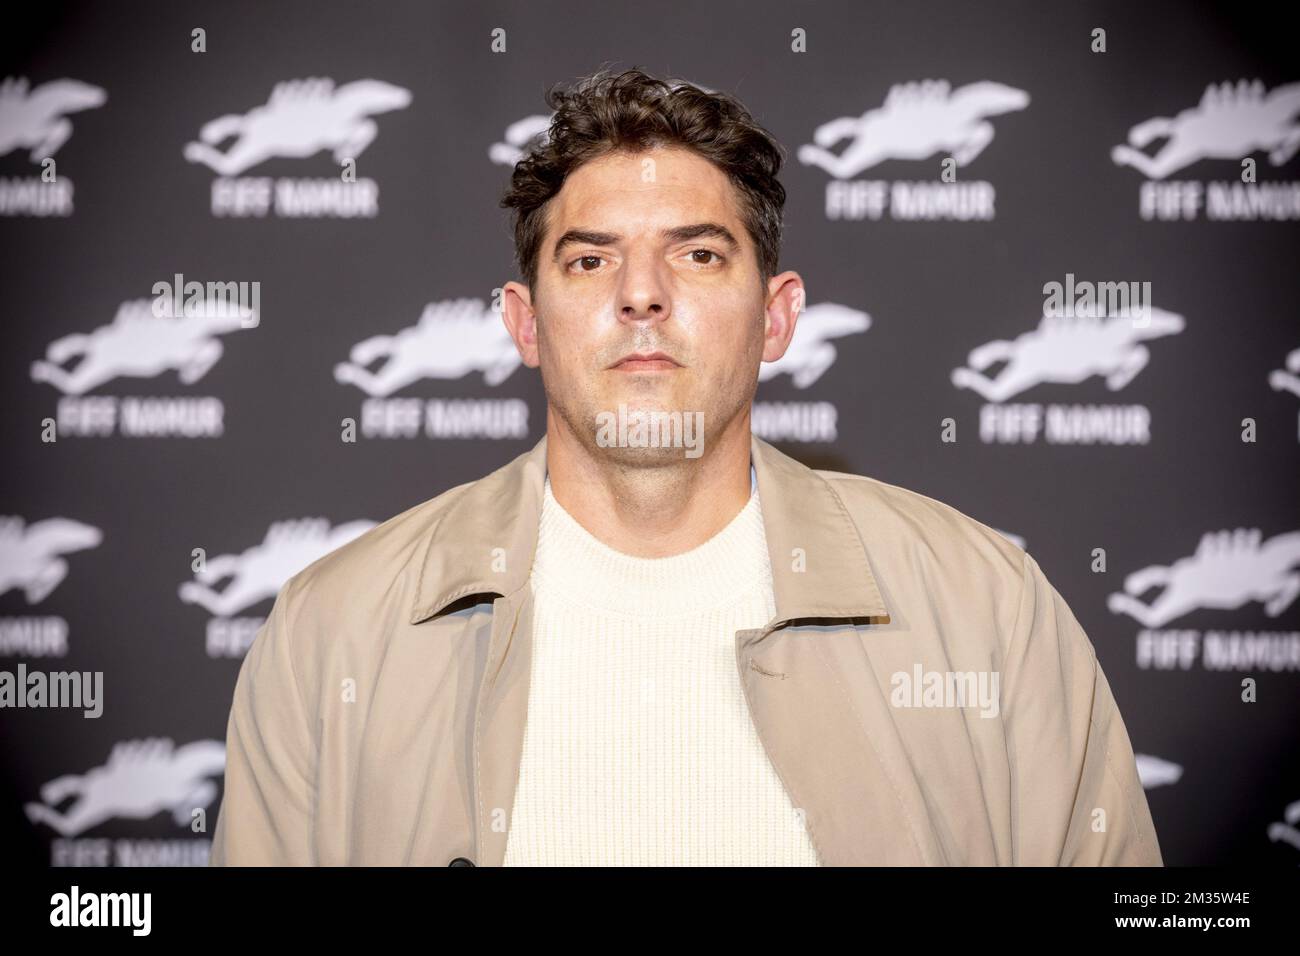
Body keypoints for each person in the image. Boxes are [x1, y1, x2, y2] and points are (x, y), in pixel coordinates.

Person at [210, 67, 1162, 866]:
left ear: (777, 316)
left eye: (699, 254)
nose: (642, 296)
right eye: (589, 262)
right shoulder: (330, 635)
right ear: (524, 323)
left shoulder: (984, 610)